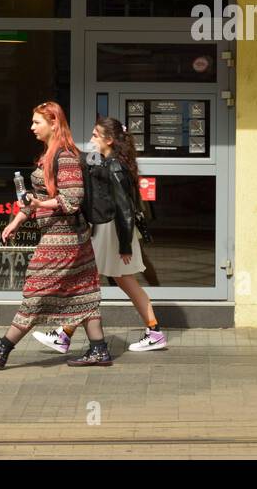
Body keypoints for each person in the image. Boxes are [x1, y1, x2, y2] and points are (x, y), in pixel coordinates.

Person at [0, 102, 112, 367]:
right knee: (83, 292)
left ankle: (3, 347)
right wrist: (18, 221)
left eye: (37, 122)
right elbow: (40, 198)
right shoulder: (49, 154)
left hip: (64, 238)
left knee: (37, 289)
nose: (31, 127)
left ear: (54, 123)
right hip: (66, 236)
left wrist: (37, 206)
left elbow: (72, 199)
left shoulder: (66, 156)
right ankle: (99, 349)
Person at [33, 116, 167, 353]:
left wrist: (124, 245)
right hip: (112, 230)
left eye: (95, 135)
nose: (92, 139)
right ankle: (153, 331)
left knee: (90, 281)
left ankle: (64, 335)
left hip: (113, 232)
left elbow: (125, 209)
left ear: (110, 139)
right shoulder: (110, 161)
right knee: (116, 282)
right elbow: (88, 164)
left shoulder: (115, 166)